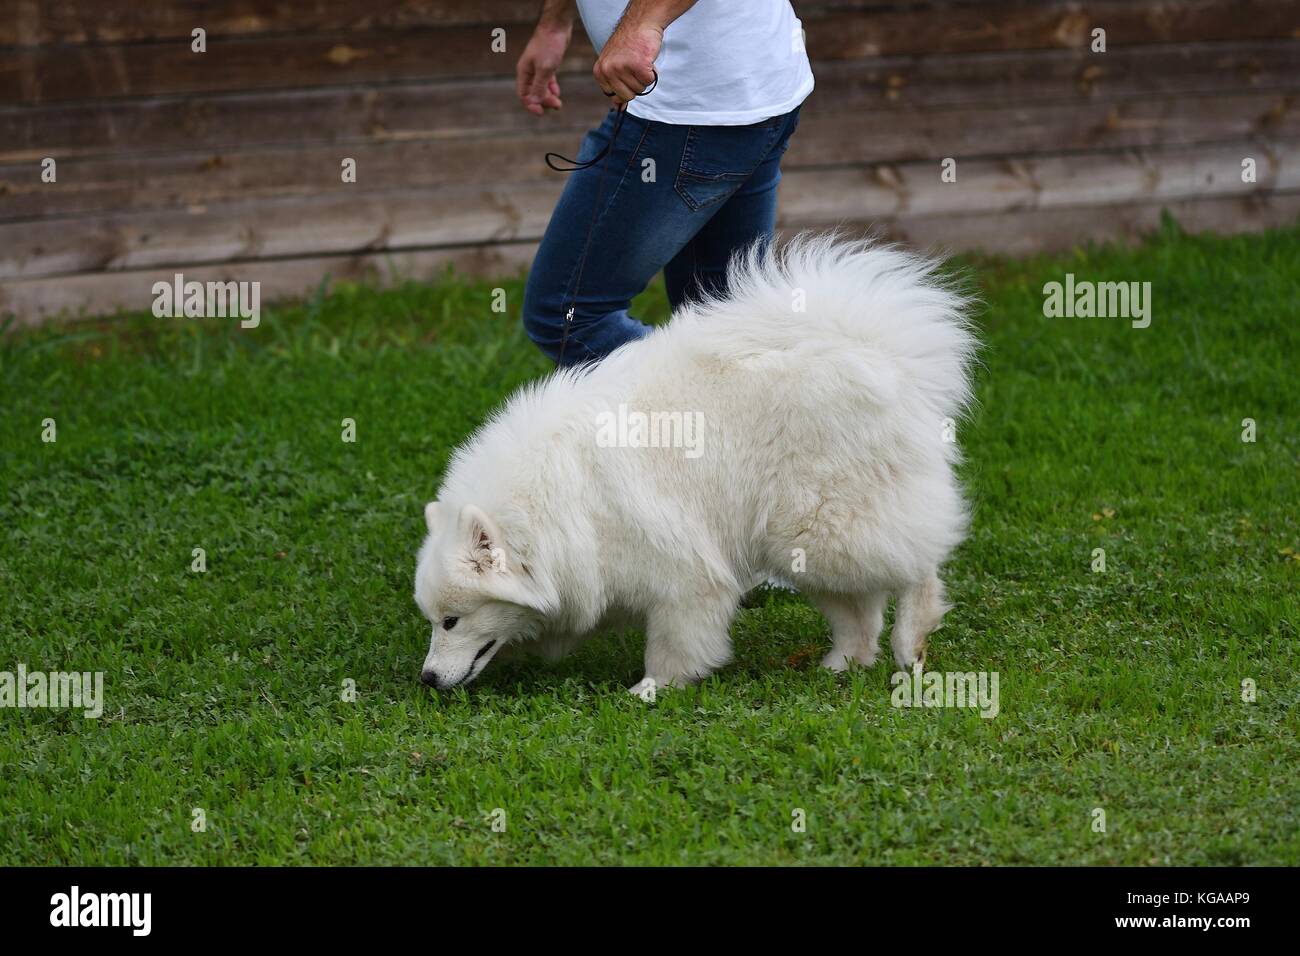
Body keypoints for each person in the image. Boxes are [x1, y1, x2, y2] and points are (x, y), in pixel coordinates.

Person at [516, 0, 814, 366]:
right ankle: (754, 407)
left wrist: (643, 25)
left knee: (567, 316)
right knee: (722, 323)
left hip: (689, 108)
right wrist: (554, 23)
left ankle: (707, 398)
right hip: (743, 86)